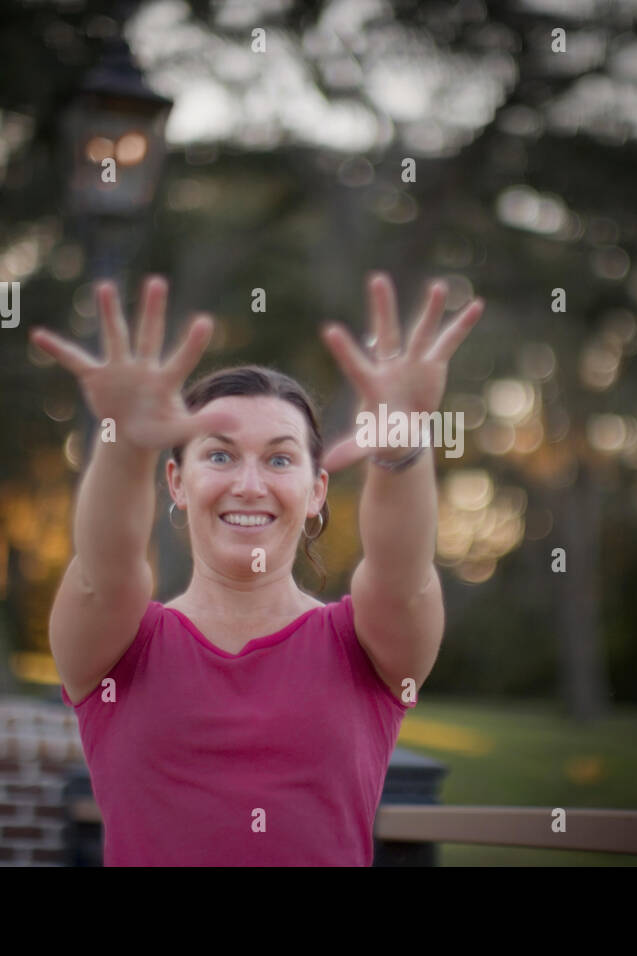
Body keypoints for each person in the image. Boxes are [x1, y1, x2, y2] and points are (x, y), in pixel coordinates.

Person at [30, 272, 484, 865]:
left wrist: (401, 447)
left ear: (317, 490)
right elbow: (103, 572)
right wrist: (123, 443)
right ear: (177, 481)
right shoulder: (118, 645)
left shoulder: (366, 644)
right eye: (219, 455)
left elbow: (402, 577)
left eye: (279, 458)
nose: (249, 485)